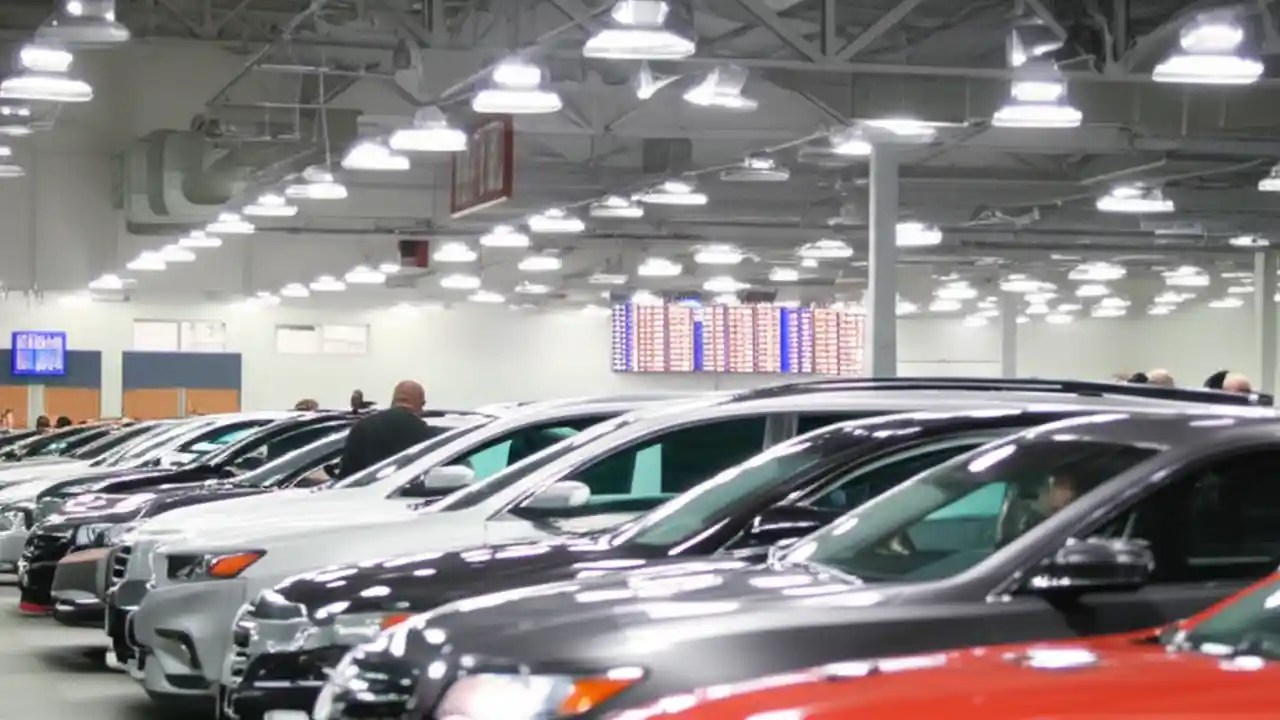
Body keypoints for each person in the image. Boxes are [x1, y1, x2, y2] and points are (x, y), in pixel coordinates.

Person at [338, 381, 433, 478]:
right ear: (422, 404)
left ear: (393, 400)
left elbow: (346, 471)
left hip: (360, 490)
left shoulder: (362, 426)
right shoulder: (424, 432)